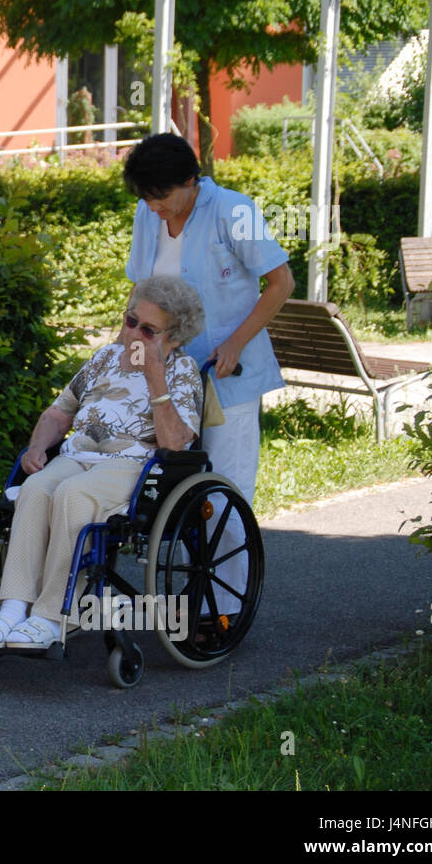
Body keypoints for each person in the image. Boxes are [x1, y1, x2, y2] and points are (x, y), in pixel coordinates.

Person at [0, 277, 205, 650]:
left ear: (174, 338)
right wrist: (37, 447)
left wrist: (155, 376)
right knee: (34, 489)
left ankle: (52, 616)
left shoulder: (182, 371)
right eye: (130, 320)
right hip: (77, 454)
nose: (132, 333)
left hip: (134, 464)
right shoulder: (102, 359)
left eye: (147, 330)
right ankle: (14, 608)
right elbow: (57, 414)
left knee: (73, 494)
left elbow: (175, 443)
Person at [123, 134, 293, 615]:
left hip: (228, 374)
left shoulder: (232, 210)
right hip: (168, 377)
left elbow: (281, 282)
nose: (154, 207)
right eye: (145, 197)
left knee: (223, 491)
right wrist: (127, 351)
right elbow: (140, 291)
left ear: (191, 182)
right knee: (172, 493)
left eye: (161, 196)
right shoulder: (147, 215)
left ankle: (223, 610)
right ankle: (186, 599)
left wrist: (236, 342)